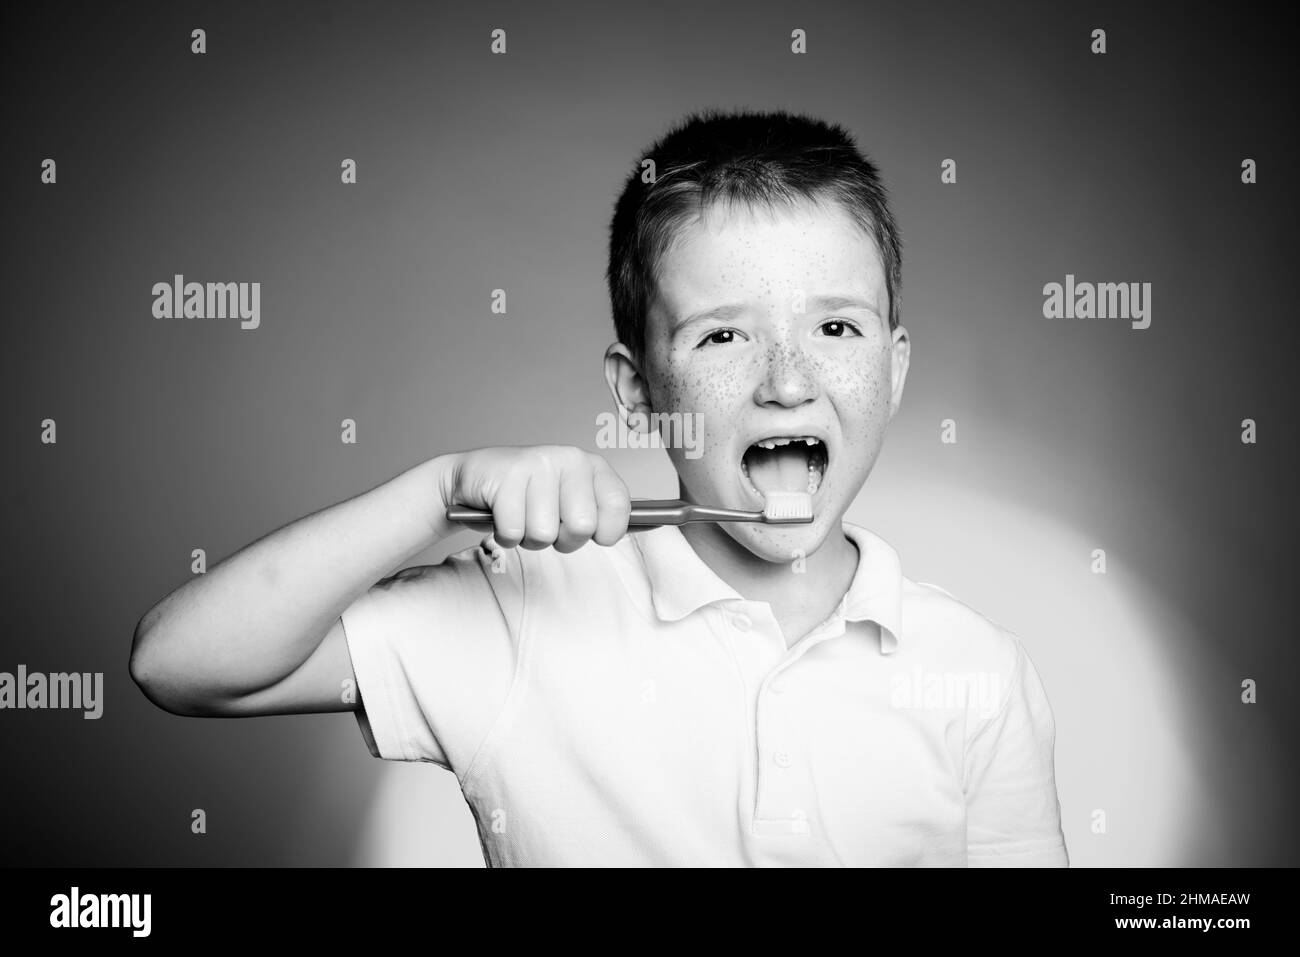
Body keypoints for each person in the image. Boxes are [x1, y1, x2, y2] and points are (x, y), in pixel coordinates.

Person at [130, 108, 1068, 867]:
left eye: (837, 328)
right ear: (637, 390)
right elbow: (180, 662)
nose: (789, 379)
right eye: (722, 335)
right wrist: (437, 491)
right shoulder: (523, 612)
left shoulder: (976, 670)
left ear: (896, 371)